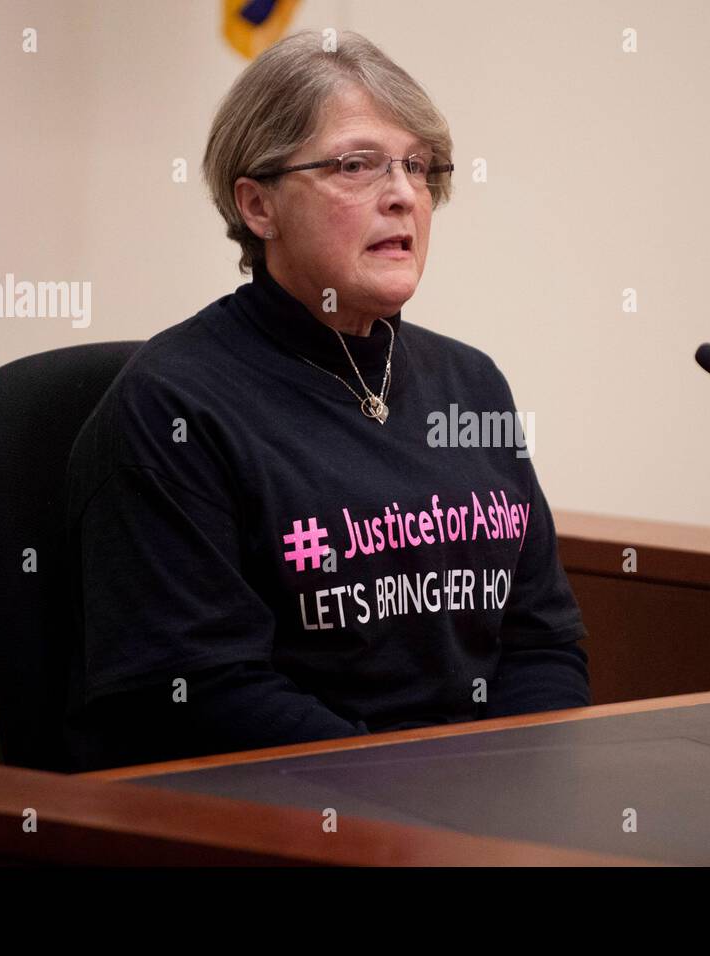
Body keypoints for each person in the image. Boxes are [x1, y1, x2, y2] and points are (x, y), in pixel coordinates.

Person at [62, 29, 590, 772]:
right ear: (258, 205)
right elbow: (205, 692)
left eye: (417, 166)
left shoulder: (472, 385)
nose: (404, 194)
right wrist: (419, 800)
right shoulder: (175, 407)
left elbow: (542, 644)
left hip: (476, 810)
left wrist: (512, 781)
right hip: (282, 818)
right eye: (356, 165)